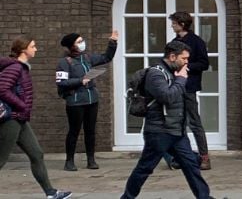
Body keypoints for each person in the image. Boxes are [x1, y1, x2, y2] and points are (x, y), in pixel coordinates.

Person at [119, 40, 211, 199]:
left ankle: (204, 197)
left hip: (177, 131)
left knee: (191, 166)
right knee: (144, 168)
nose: (186, 62)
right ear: (172, 56)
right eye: (184, 58)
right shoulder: (156, 73)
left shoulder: (172, 73)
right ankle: (126, 198)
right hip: (159, 131)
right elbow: (166, 97)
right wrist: (181, 79)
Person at [0, 36, 73, 199]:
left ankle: (51, 193)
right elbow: (2, 89)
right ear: (23, 49)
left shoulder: (22, 68)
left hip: (20, 119)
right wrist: (21, 105)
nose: (36, 49)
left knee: (37, 154)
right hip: (10, 119)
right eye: (33, 46)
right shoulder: (15, 68)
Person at [55, 29, 118, 171]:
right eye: (79, 42)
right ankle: (69, 161)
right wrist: (80, 81)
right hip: (75, 101)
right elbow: (61, 82)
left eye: (82, 41)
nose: (82, 43)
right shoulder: (65, 62)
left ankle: (91, 159)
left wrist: (113, 42)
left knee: (90, 131)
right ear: (71, 45)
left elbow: (106, 58)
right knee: (74, 131)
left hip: (92, 100)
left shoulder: (87, 58)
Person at [168, 12, 211, 170]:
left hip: (189, 86)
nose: (172, 25)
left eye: (174, 23)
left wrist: (186, 67)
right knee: (178, 123)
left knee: (194, 122)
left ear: (182, 24)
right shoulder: (173, 42)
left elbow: (204, 63)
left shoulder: (196, 41)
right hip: (175, 87)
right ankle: (183, 157)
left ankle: (204, 157)